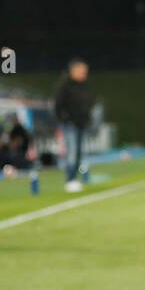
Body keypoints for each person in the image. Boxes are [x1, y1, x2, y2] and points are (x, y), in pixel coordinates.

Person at [53, 58, 93, 192]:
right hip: (70, 124)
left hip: (81, 123)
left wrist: (87, 118)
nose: (84, 73)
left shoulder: (83, 85)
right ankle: (69, 180)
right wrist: (65, 119)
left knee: (78, 152)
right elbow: (57, 105)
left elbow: (87, 103)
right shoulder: (64, 85)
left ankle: (74, 178)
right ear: (74, 70)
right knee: (72, 152)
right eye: (82, 71)